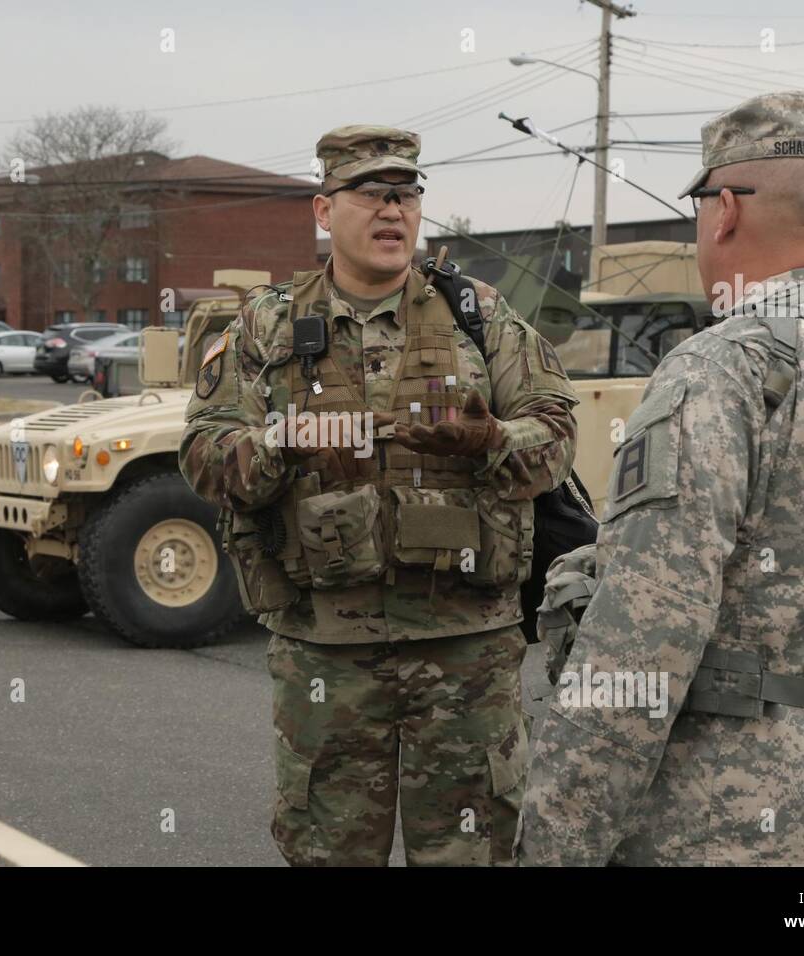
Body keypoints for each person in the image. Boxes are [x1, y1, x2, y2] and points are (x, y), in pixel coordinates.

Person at [520, 91, 804, 866]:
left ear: (723, 209)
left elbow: (638, 653)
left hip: (723, 830)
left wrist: (555, 848)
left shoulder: (724, 369)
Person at [180, 125, 578, 866]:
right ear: (324, 211)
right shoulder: (266, 325)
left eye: (407, 193)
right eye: (371, 193)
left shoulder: (480, 316)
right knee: (327, 850)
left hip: (465, 650)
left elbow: (555, 441)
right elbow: (204, 458)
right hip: (326, 654)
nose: (393, 209)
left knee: (474, 850)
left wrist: (491, 441)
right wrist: (280, 446)